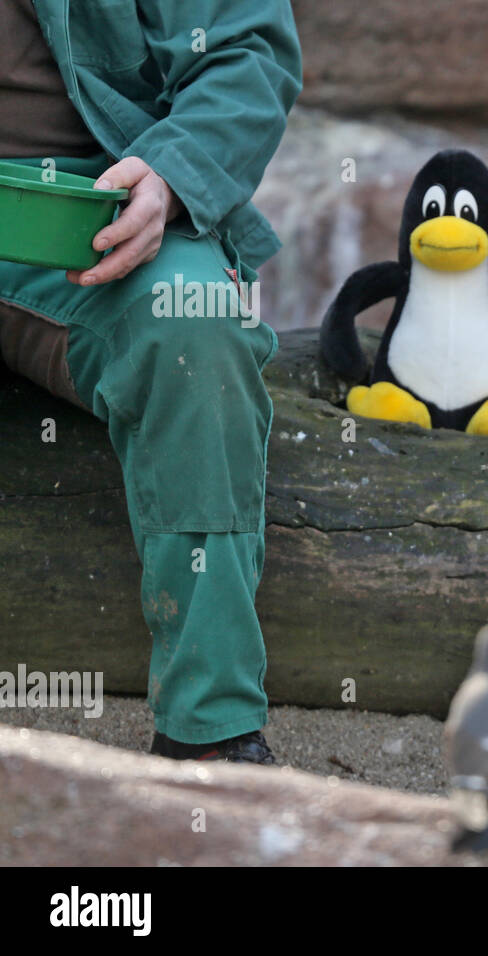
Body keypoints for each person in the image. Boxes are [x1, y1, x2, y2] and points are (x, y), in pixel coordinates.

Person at [0, 1, 301, 762]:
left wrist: (171, 172)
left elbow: (247, 53)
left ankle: (210, 737)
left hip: (88, 212)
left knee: (192, 324)